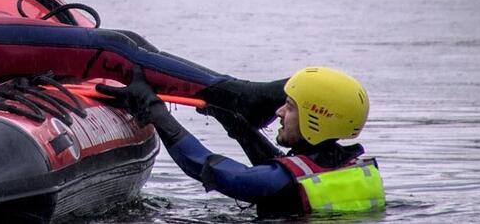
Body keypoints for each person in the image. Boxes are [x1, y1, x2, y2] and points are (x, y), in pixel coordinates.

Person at [98, 66, 384, 216]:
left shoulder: (282, 181)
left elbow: (220, 173)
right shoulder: (346, 165)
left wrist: (154, 111)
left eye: (291, 107)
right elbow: (287, 172)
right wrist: (231, 120)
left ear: (316, 119)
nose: (279, 112)